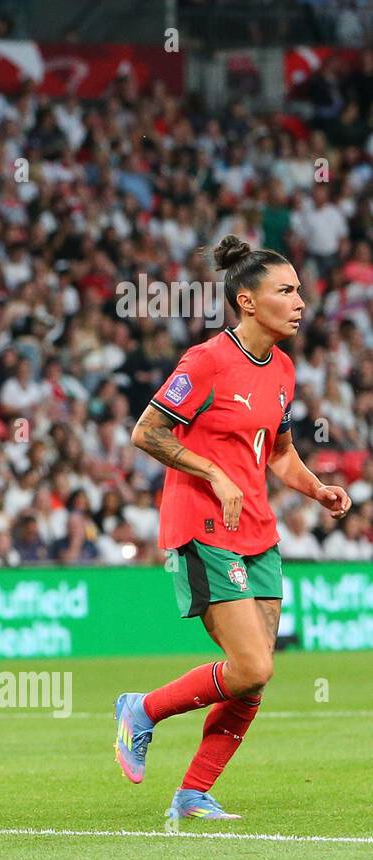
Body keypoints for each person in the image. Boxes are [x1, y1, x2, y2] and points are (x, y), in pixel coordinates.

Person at [116, 235, 352, 821]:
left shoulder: (284, 369)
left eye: (299, 290)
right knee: (252, 666)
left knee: (254, 677)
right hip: (201, 524)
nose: (301, 301)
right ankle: (141, 709)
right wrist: (213, 475)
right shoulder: (205, 362)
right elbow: (147, 433)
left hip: (257, 531)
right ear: (246, 301)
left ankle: (193, 793)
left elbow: (278, 453)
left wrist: (316, 487)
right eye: (286, 291)